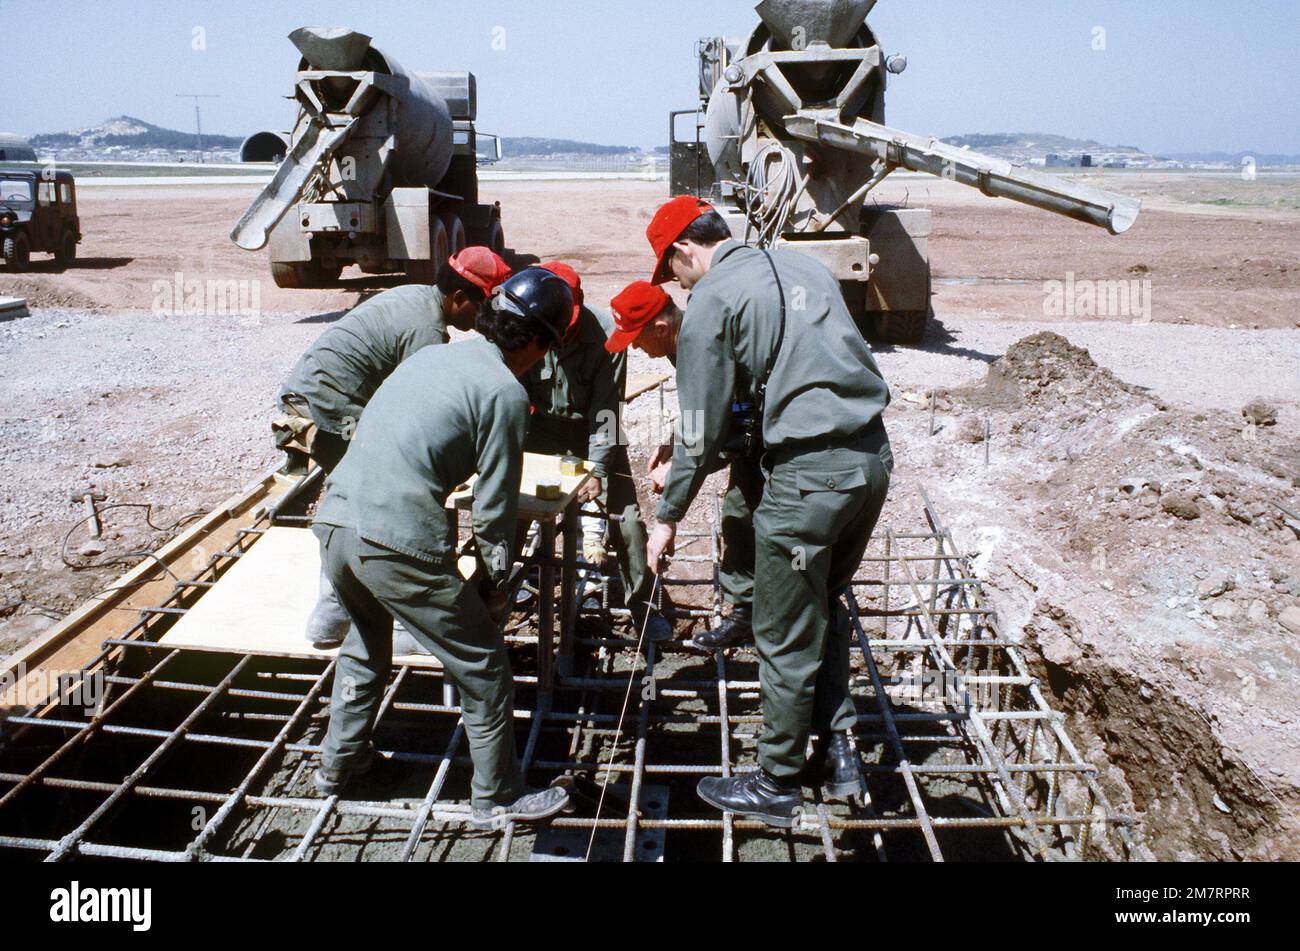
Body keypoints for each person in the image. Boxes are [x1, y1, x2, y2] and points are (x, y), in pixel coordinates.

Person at [643, 196, 894, 825]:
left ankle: (776, 781)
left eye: (671, 271)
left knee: (783, 632)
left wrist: (668, 515)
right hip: (869, 463)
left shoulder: (709, 302)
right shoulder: (805, 268)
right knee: (821, 605)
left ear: (684, 251)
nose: (676, 283)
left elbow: (699, 429)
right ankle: (839, 754)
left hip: (806, 483)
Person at [311, 267, 574, 829]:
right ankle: (496, 797)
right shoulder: (503, 390)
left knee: (364, 645)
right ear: (532, 342)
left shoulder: (428, 357)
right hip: (394, 542)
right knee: (483, 668)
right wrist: (498, 579)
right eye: (546, 349)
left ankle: (338, 763)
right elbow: (494, 507)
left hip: (335, 524)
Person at [275, 247, 512, 648]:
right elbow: (420, 415)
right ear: (458, 298)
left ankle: (332, 617)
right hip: (327, 413)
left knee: (353, 500)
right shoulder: (425, 332)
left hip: (313, 403)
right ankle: (382, 617)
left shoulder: (415, 298)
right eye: (482, 307)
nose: (484, 319)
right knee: (392, 500)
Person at [519, 262, 672, 642]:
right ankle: (506, 582)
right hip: (540, 430)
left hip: (593, 430)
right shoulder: (528, 324)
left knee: (627, 521)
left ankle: (643, 605)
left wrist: (599, 472)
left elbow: (606, 413)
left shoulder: (605, 336)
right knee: (512, 509)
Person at [605, 280, 759, 652]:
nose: (637, 350)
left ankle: (773, 619)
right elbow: (703, 409)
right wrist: (674, 440)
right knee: (738, 516)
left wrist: (667, 518)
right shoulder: (681, 339)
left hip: (771, 434)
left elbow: (705, 436)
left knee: (765, 524)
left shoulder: (697, 344)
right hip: (746, 427)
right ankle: (748, 612)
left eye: (637, 339)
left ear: (660, 328)